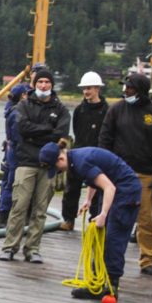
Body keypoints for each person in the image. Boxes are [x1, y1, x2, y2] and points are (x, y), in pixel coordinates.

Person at [40, 142, 141, 301]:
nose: (60, 171)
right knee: (99, 237)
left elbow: (109, 187)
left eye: (58, 168)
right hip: (111, 189)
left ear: (60, 158)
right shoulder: (75, 159)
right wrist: (88, 200)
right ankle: (97, 283)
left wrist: (103, 214)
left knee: (113, 238)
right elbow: (95, 179)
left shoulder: (81, 161)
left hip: (125, 191)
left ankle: (111, 286)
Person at [0, 68, 69, 263]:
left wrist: (36, 133)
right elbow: (22, 128)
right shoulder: (23, 106)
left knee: (40, 210)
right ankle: (10, 246)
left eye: (47, 82)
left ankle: (32, 248)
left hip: (48, 166)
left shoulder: (60, 109)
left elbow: (61, 132)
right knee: (19, 206)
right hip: (25, 162)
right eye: (40, 82)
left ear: (52, 85)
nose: (43, 85)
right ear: (34, 84)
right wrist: (48, 130)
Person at [98, 72, 152, 277]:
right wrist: (104, 166)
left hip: (145, 173)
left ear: (142, 91)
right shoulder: (116, 109)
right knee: (111, 216)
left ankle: (147, 259)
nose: (126, 91)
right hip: (118, 173)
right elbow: (105, 138)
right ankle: (104, 256)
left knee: (146, 219)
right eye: (125, 87)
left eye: (131, 88)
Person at [60, 71, 108, 231]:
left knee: (98, 188)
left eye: (89, 88)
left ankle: (95, 219)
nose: (86, 92)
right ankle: (68, 219)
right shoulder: (80, 110)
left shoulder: (107, 110)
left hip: (97, 153)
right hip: (79, 152)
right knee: (71, 188)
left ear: (97, 89)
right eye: (84, 88)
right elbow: (77, 130)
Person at [0, 83, 30, 228]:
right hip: (16, 152)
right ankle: (3, 216)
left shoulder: (11, 109)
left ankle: (2, 215)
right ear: (23, 95)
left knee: (7, 183)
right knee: (12, 183)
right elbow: (17, 137)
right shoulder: (17, 113)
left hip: (10, 150)